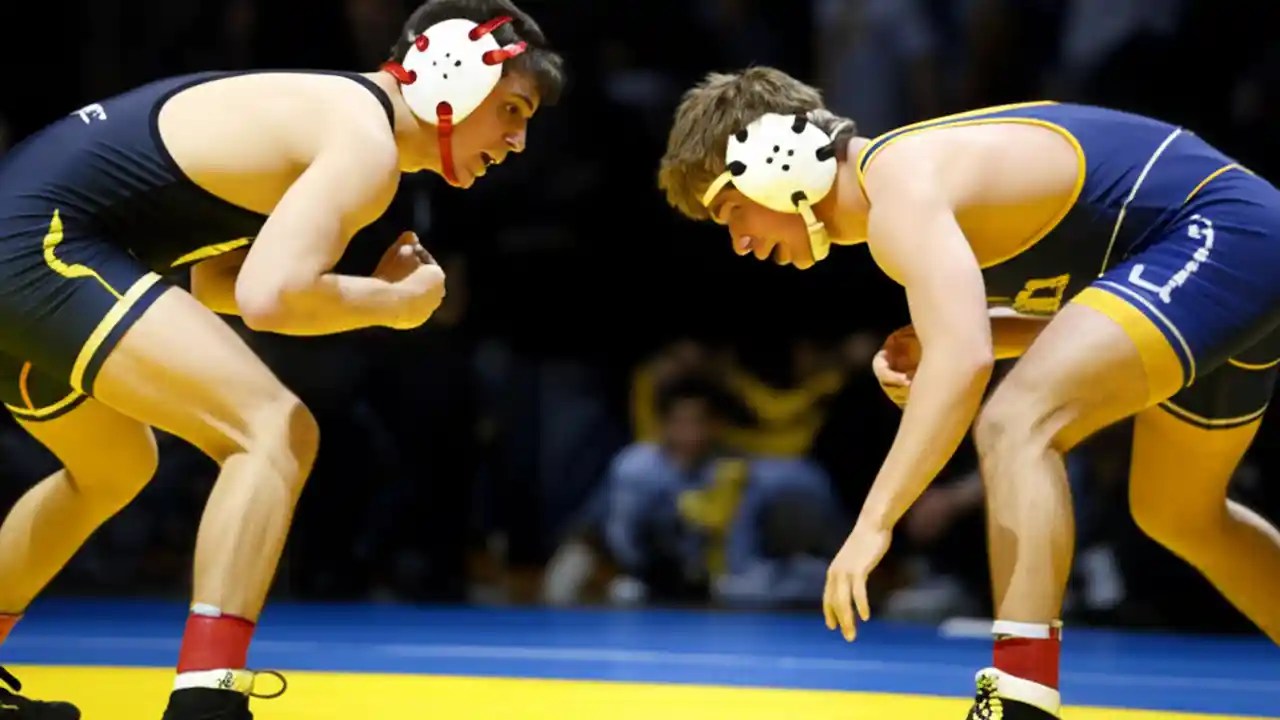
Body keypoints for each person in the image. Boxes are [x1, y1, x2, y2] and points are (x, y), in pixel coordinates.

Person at [657, 67, 1280, 719]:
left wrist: (875, 522)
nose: (742, 244)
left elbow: (965, 363)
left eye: (731, 212)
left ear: (771, 158)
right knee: (1178, 514)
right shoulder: (908, 196)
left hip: (1217, 232)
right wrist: (957, 334)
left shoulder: (900, 180)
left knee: (1016, 423)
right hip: (1226, 251)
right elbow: (1096, 314)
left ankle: (1020, 699)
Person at [0, 0, 563, 717]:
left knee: (114, 467)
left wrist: (381, 298)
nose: (516, 141)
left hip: (26, 238)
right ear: (449, 73)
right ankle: (209, 697)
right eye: (512, 110)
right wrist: (399, 304)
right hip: (41, 245)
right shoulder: (363, 140)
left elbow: (222, 287)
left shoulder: (322, 112)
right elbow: (271, 299)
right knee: (272, 429)